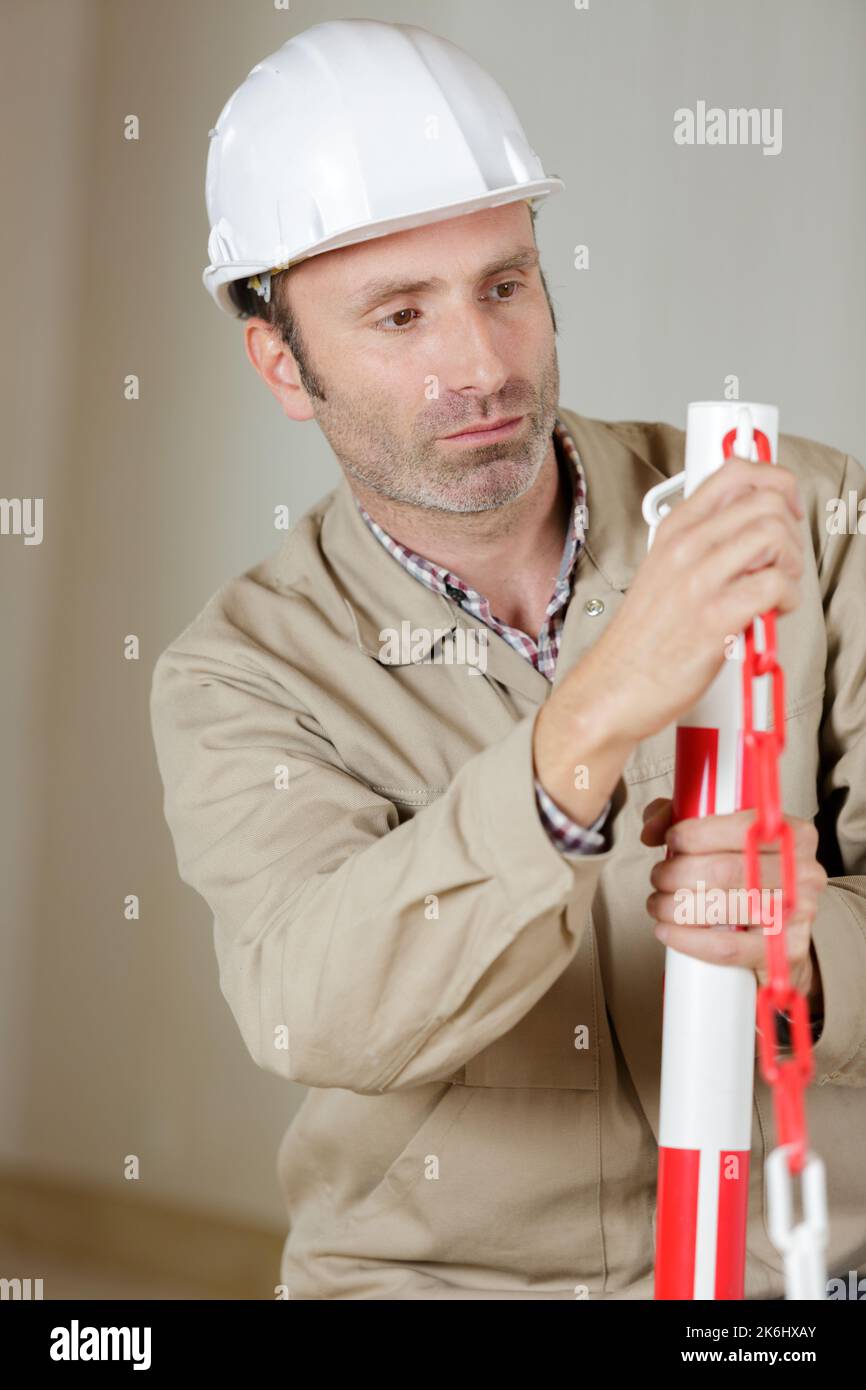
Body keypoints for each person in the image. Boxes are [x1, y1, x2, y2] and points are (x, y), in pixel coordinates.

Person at [150, 18, 866, 1299]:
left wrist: (805, 957)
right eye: (400, 315)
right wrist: (578, 733)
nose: (480, 366)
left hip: (798, 1271)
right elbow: (311, 1005)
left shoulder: (801, 520)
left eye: (501, 286)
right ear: (283, 363)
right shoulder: (241, 673)